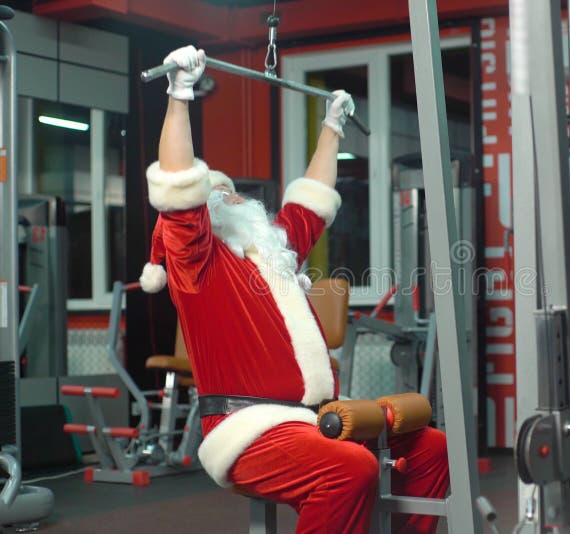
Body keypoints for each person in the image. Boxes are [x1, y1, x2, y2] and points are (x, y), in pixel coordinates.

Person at [139, 45, 449, 533]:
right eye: (218, 193)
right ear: (205, 213)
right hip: (250, 430)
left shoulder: (273, 258)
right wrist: (180, 94)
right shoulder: (197, 264)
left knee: (431, 447)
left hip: (315, 419)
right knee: (350, 468)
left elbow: (310, 203)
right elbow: (178, 187)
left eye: (233, 190)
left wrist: (333, 126)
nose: (235, 196)